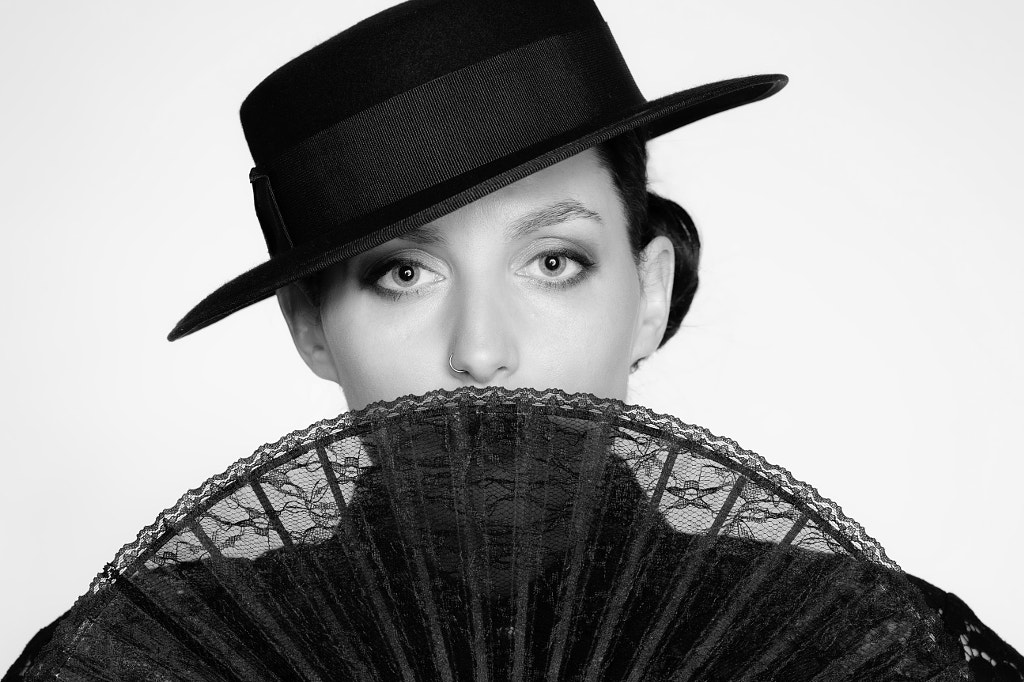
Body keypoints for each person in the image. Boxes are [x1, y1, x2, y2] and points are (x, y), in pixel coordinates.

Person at [5, 0, 1022, 679]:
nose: (482, 352)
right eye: (402, 272)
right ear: (313, 326)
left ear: (651, 292)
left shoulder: (856, 648)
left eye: (554, 262)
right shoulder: (157, 659)